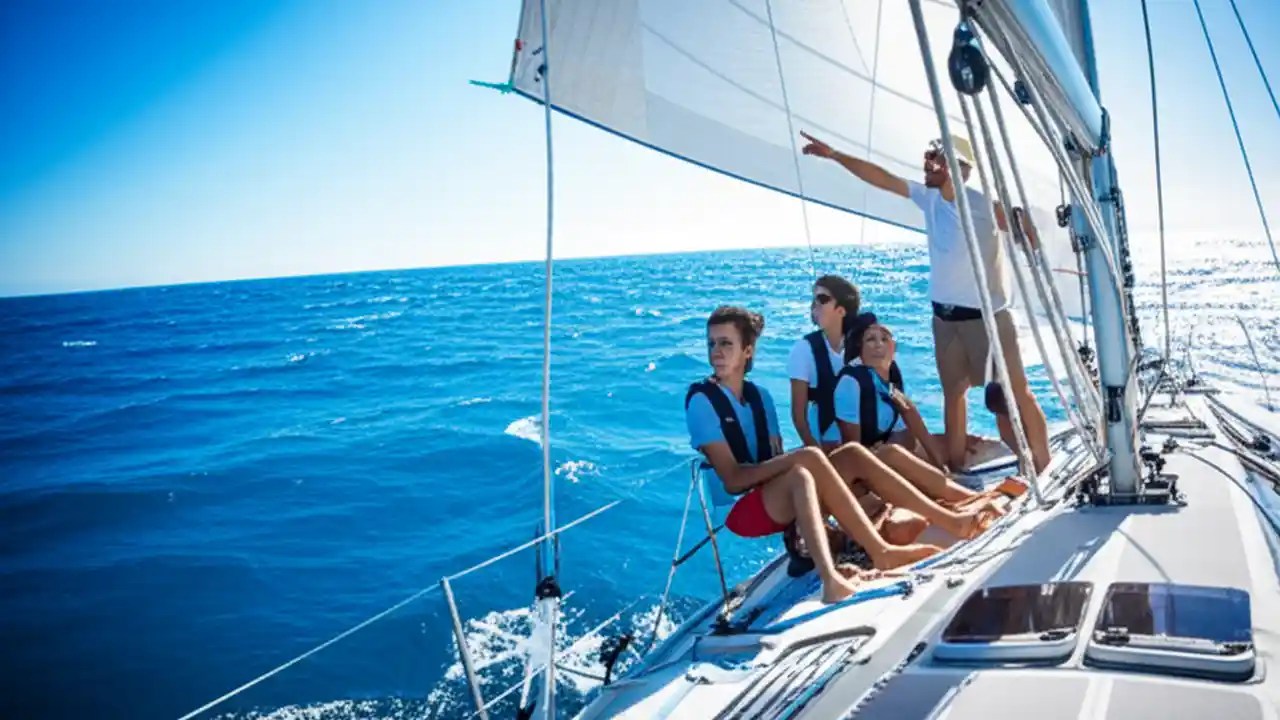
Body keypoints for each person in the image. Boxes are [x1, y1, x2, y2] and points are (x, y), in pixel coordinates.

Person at [799, 130, 1052, 474]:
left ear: (962, 170)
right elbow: (882, 178)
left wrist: (1028, 229)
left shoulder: (984, 206)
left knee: (1014, 394)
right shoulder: (928, 198)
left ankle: (1043, 464)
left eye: (938, 157)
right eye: (928, 156)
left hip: (987, 320)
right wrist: (836, 155)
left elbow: (1029, 232)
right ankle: (959, 469)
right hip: (944, 321)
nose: (928, 163)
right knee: (954, 393)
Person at [685, 305, 939, 602]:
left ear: (748, 351)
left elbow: (772, 459)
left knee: (852, 454)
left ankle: (949, 517)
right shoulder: (701, 401)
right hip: (742, 512)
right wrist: (801, 458)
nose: (716, 351)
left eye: (726, 343)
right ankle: (839, 576)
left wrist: (803, 461)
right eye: (711, 343)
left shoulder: (760, 397)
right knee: (804, 463)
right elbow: (732, 480)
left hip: (775, 496)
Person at [834, 312, 1027, 509]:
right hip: (860, 469)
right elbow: (853, 450)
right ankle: (971, 498)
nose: (879, 345)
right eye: (870, 340)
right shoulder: (851, 382)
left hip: (883, 454)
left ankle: (950, 483)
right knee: (892, 454)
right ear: (859, 349)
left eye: (885, 339)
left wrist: (942, 467)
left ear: (894, 348)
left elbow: (913, 422)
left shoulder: (888, 382)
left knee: (953, 444)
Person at [788, 275, 861, 451]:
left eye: (822, 299)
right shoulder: (804, 349)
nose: (815, 305)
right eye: (813, 299)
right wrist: (815, 453)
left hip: (863, 439)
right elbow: (799, 416)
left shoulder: (863, 346)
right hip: (822, 443)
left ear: (842, 310)